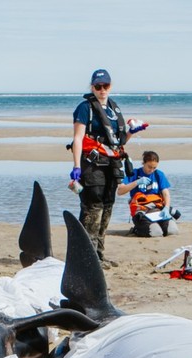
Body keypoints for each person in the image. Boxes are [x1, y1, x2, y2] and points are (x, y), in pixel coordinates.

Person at [70, 68, 147, 269]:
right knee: (93, 208)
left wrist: (132, 132)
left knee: (107, 206)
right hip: (92, 165)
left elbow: (118, 142)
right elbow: (78, 139)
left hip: (111, 165)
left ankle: (99, 254)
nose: (102, 90)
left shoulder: (114, 109)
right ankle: (87, 257)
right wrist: (76, 166)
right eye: (98, 86)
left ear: (110, 86)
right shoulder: (84, 108)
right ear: (92, 87)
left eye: (105, 86)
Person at [117, 150, 179, 237]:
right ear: (143, 163)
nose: (151, 170)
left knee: (172, 231)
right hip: (141, 212)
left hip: (157, 210)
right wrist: (137, 182)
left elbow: (166, 194)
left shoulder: (158, 175)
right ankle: (137, 229)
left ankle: (160, 225)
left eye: (154, 168)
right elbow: (120, 191)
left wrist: (166, 207)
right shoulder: (134, 173)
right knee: (156, 233)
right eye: (149, 167)